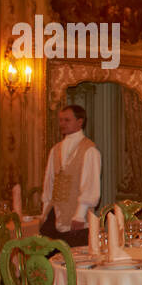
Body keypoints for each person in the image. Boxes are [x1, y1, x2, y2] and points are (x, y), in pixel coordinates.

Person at [39, 104, 101, 247]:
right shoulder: (55, 150)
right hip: (54, 216)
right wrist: (45, 211)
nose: (62, 124)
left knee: (74, 261)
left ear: (80, 122)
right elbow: (49, 183)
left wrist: (80, 214)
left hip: (77, 220)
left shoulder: (89, 150)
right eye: (60, 120)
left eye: (67, 120)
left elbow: (90, 186)